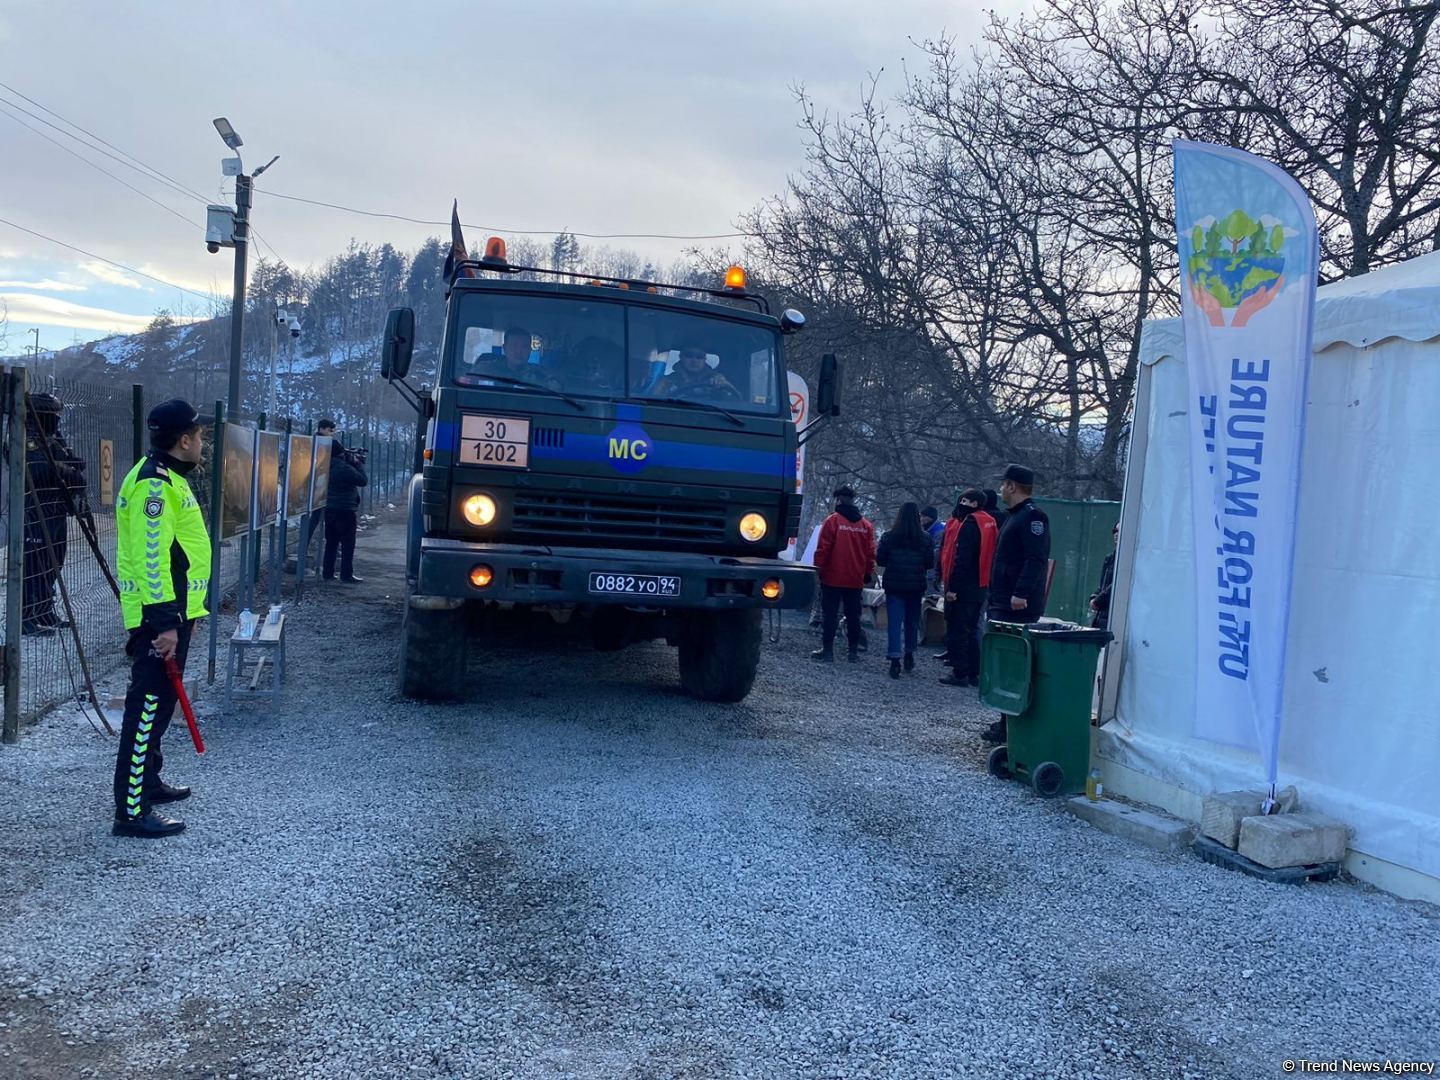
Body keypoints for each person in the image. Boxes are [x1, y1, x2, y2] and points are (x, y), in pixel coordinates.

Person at [111, 400, 212, 838]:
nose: (203, 441)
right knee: (147, 708)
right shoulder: (155, 485)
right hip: (159, 618)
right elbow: (153, 561)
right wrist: (167, 623)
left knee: (160, 705)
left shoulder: (168, 478)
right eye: (200, 434)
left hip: (172, 612)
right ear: (184, 439)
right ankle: (131, 812)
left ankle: (148, 782)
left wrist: (186, 614)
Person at [982, 464, 1051, 743]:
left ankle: (1012, 726)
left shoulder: (1033, 518)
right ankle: (1004, 722)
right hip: (1002, 600)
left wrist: (1020, 592)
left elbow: (1036, 559)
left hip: (1017, 604)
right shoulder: (1014, 517)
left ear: (1012, 486)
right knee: (1003, 664)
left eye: (1003, 484)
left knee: (1014, 665)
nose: (1000, 489)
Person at [21, 392, 87, 636]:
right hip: (36, 510)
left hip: (57, 509)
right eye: (53, 415)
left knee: (53, 563)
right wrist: (68, 471)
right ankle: (27, 616)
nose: (57, 421)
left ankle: (44, 610)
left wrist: (70, 469)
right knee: (34, 565)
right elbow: (39, 469)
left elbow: (74, 465)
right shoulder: (28, 437)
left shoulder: (52, 438)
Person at [810, 485, 876, 663]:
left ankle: (828, 650)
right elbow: (871, 553)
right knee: (854, 616)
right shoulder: (866, 526)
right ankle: (852, 652)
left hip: (832, 576)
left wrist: (818, 569)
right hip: (855, 578)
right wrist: (867, 573)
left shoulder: (832, 521)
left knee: (829, 615)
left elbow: (822, 549)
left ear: (838, 500)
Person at [939, 490, 998, 688]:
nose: (962, 503)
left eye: (965, 501)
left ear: (974, 504)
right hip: (982, 584)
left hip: (964, 587)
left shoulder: (969, 523)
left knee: (958, 631)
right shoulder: (989, 522)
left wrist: (953, 587)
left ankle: (960, 672)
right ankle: (975, 673)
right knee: (973, 630)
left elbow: (962, 558)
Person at [876, 502, 933, 678]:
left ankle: (894, 659)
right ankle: (909, 653)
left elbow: (881, 560)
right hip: (915, 586)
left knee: (894, 623)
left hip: (894, 585)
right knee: (912, 622)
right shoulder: (925, 538)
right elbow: (929, 563)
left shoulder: (889, 536)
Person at [323, 437, 368, 584]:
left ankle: (328, 573)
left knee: (331, 543)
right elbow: (362, 480)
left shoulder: (324, 465)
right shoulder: (342, 467)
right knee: (348, 544)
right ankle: (346, 575)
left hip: (329, 508)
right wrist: (357, 463)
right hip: (344, 510)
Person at [653, 345, 738, 400]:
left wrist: (725, 384)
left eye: (699, 357)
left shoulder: (715, 379)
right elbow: (654, 402)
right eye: (689, 355)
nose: (694, 360)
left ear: (704, 360)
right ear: (681, 357)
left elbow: (736, 401)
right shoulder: (667, 381)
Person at [1090, 522, 1119, 630]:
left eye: (1120, 531)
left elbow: (1117, 584)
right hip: (1101, 616)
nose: (1116, 534)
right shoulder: (1109, 558)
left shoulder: (1126, 562)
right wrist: (1093, 597)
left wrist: (1098, 601)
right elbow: (1102, 585)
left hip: (1113, 616)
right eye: (1115, 531)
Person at [920, 505, 945, 593]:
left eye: (924, 516)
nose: (922, 518)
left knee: (931, 597)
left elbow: (938, 551)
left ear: (931, 518)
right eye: (921, 516)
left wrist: (923, 556)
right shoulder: (924, 529)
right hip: (925, 570)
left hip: (933, 571)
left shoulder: (939, 531)